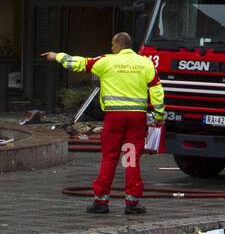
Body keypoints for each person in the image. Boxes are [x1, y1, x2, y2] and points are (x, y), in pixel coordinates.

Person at [42, 31, 164, 216]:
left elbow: (79, 63)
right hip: (136, 119)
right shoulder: (145, 63)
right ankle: (132, 203)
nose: (111, 47)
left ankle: (101, 201)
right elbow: (156, 89)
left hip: (114, 118)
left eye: (113, 44)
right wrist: (159, 114)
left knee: (109, 157)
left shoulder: (107, 61)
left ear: (119, 45)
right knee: (130, 158)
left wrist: (56, 56)